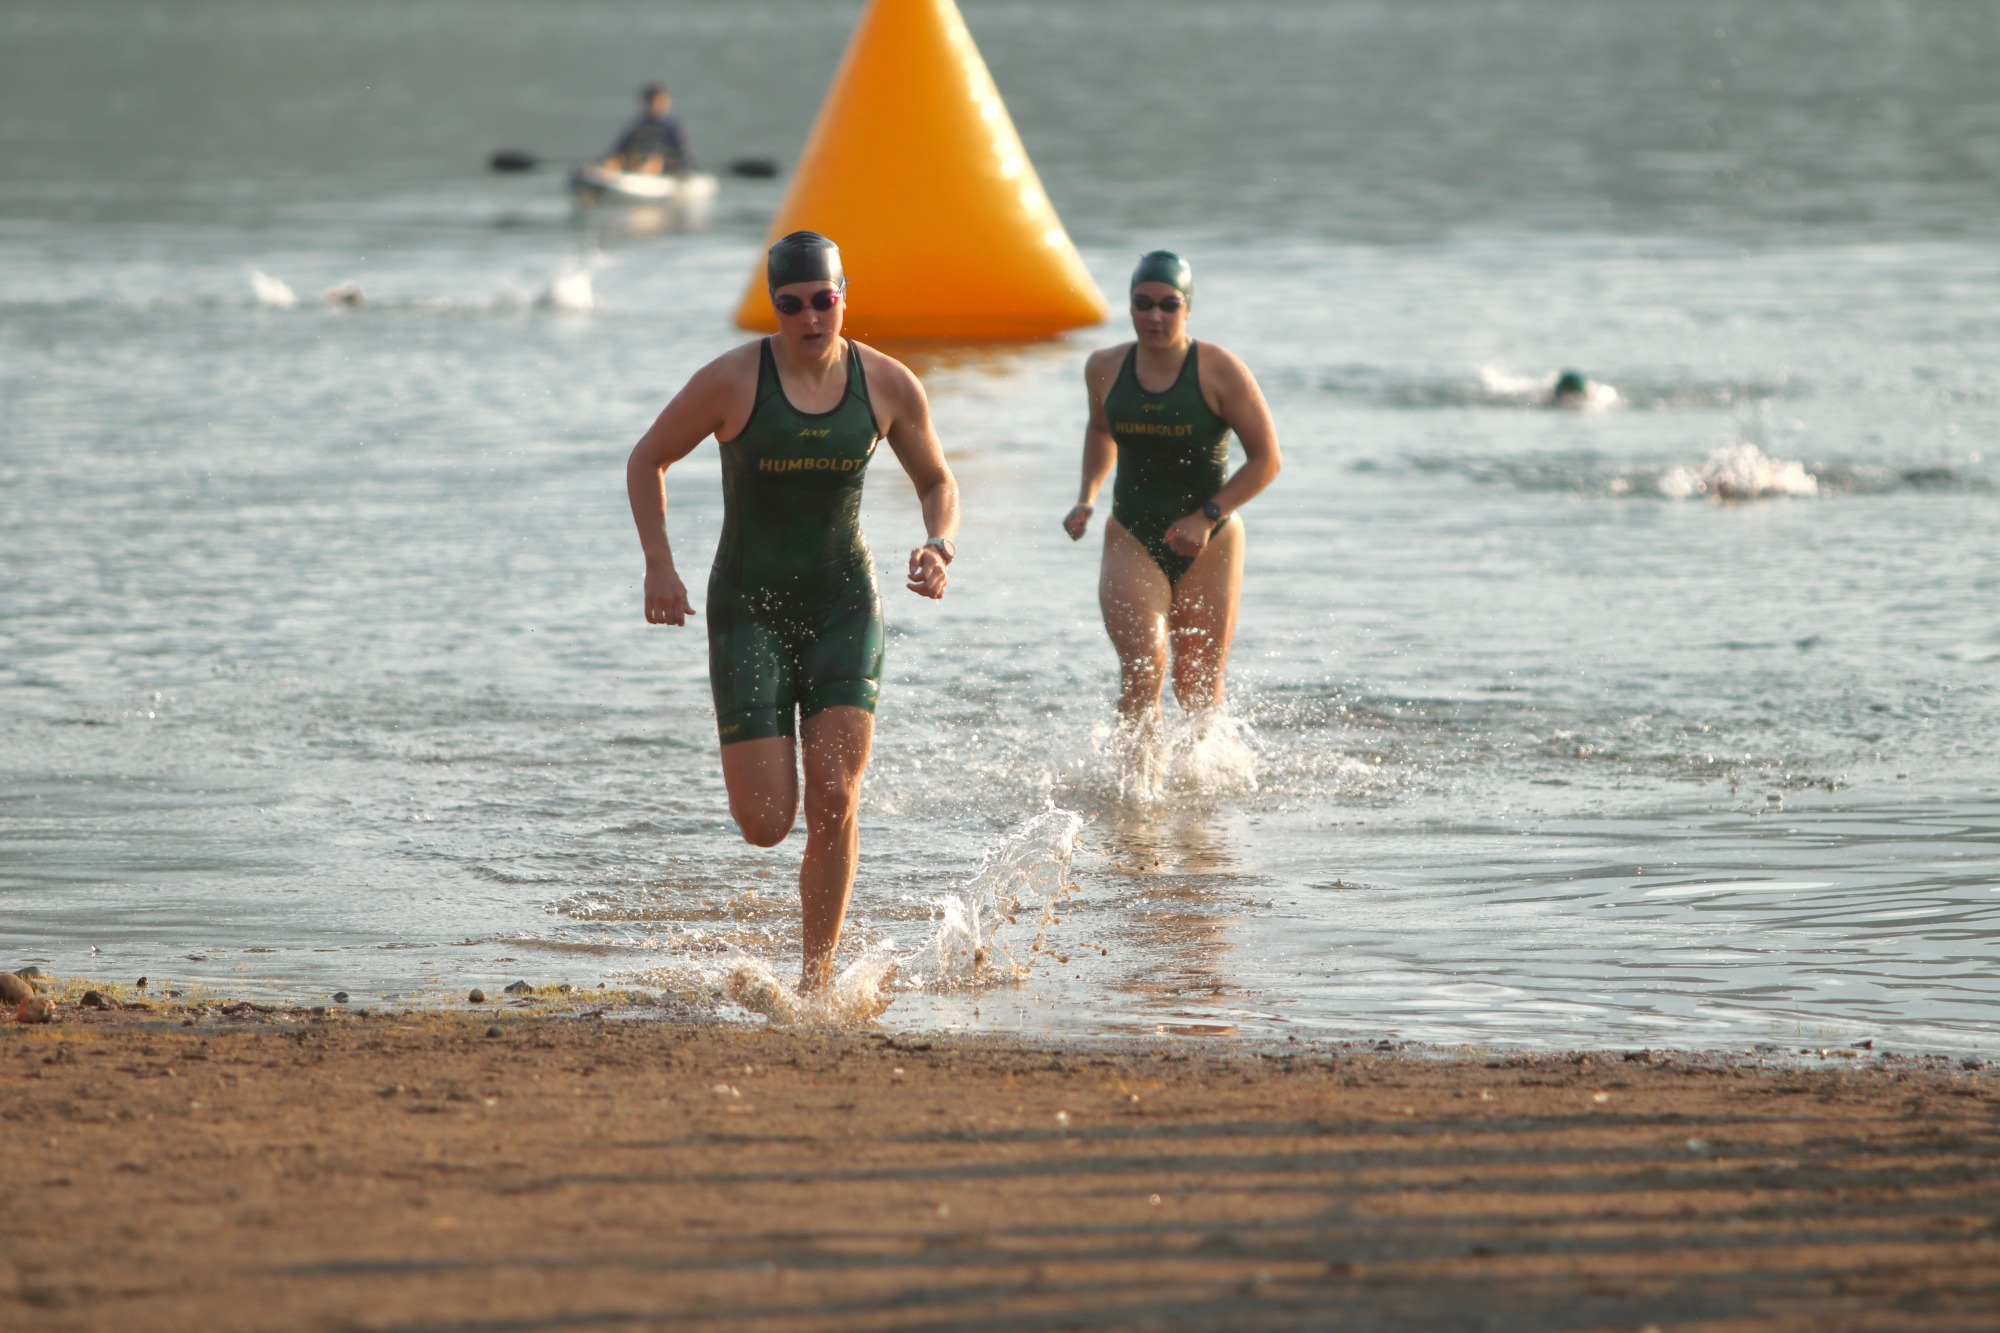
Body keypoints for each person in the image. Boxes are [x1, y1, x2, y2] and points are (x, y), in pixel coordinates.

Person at [625, 231, 959, 994]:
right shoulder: (734, 381)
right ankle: (792, 933)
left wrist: (939, 545)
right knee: (767, 821)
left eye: (824, 299)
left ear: (845, 295)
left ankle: (815, 983)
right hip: (749, 608)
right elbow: (647, 458)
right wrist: (658, 563)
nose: (810, 316)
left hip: (846, 605)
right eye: (791, 303)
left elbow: (939, 479)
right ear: (773, 306)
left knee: (836, 795)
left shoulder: (888, 385)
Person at [1063, 251, 1280, 734]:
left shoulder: (1219, 370)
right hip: (1132, 532)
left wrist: (1207, 516)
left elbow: (1267, 459)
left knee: (1196, 687)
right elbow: (1101, 432)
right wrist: (1087, 498)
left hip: (1213, 538)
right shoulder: (1104, 366)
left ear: (1187, 308)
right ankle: (1136, 797)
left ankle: (1202, 797)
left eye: (1168, 304)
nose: (1154, 316)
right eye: (1143, 304)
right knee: (1143, 670)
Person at [603, 82, 693, 176]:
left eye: (664, 101)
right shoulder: (636, 125)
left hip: (661, 166)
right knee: (615, 161)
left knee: (653, 161)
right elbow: (617, 149)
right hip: (635, 163)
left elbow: (685, 155)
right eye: (657, 101)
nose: (662, 105)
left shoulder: (671, 126)